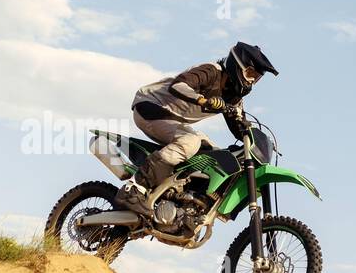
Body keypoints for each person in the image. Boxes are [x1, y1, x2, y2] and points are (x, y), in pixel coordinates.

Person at [116, 42, 279, 217]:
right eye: (250, 74)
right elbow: (177, 86)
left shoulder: (232, 95)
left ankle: (175, 196)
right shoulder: (211, 71)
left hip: (171, 119)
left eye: (256, 78)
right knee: (189, 142)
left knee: (212, 151)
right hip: (150, 106)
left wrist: (256, 139)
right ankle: (134, 189)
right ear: (237, 65)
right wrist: (203, 100)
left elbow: (238, 125)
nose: (252, 81)